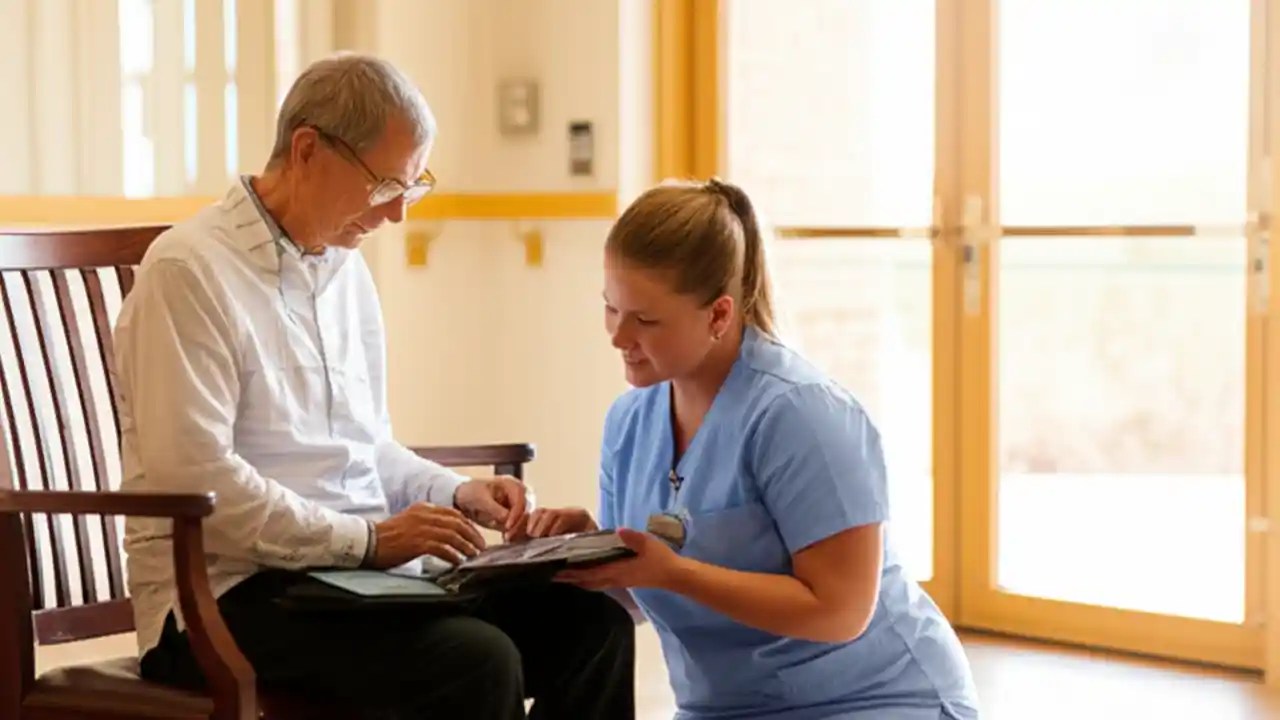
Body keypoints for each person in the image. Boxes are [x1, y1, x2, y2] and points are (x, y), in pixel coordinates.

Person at [115, 52, 634, 719]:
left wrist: (456, 492)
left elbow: (365, 448)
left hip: (351, 582)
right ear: (306, 151)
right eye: (386, 185)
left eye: (411, 189)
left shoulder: (343, 270)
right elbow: (197, 482)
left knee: (591, 623)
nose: (396, 217)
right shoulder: (190, 271)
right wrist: (367, 540)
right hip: (227, 597)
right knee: (475, 659)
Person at [520, 178, 981, 719]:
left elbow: (841, 613)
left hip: (872, 700)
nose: (619, 337)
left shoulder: (803, 415)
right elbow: (644, 595)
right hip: (727, 709)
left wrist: (671, 571)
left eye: (645, 320)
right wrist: (593, 556)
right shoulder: (628, 422)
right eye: (611, 310)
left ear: (719, 315)